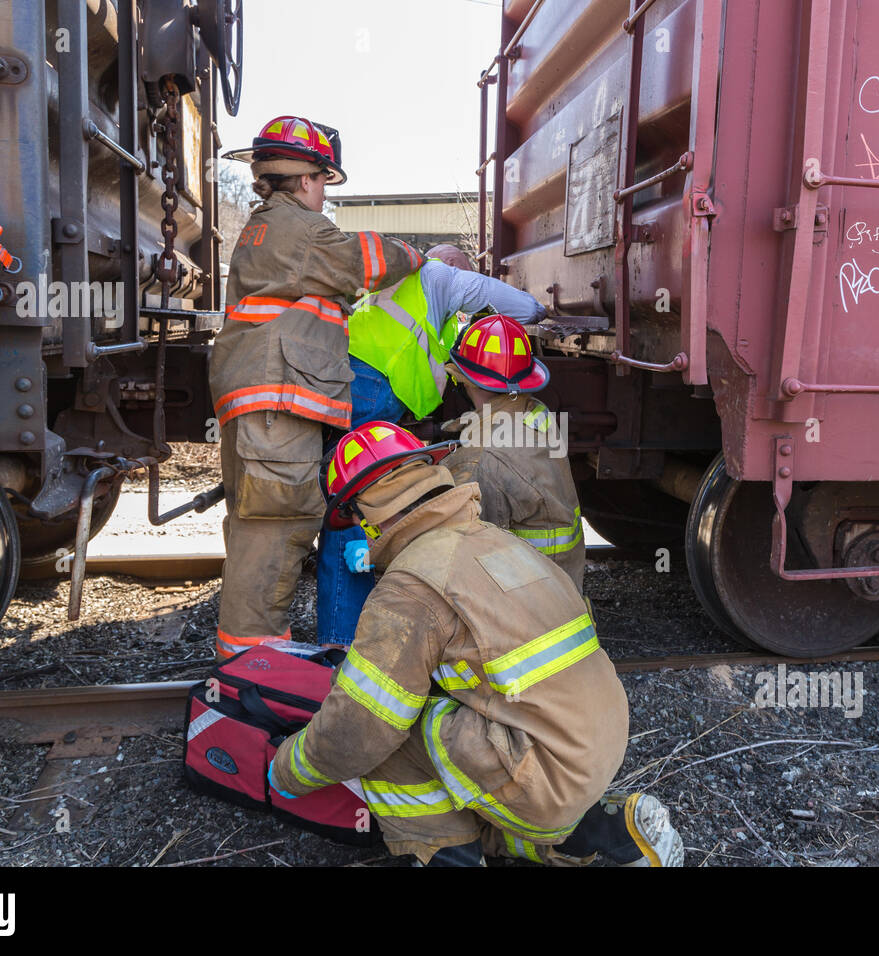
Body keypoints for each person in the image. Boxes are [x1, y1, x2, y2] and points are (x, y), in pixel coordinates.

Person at [270, 420, 683, 866]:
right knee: (456, 746)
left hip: (545, 774)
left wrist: (287, 769)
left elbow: (360, 728)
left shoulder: (412, 586)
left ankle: (447, 858)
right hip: (593, 749)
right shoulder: (494, 541)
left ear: (366, 514)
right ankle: (605, 833)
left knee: (391, 739)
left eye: (352, 517)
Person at [209, 115, 424, 660]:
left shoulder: (266, 227)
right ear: (305, 178)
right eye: (324, 181)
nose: (325, 193)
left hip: (261, 401)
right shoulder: (301, 230)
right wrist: (420, 255)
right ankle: (254, 670)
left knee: (258, 527)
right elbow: (367, 261)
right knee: (277, 527)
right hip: (275, 402)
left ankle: (249, 660)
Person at [316, 245, 547, 645]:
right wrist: (543, 312)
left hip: (357, 381)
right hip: (372, 389)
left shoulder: (400, 288)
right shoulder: (439, 274)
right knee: (357, 507)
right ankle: (341, 642)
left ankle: (348, 629)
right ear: (452, 263)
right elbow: (517, 305)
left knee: (356, 502)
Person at [443, 314, 586, 591]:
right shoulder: (536, 412)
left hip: (527, 601)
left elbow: (464, 549)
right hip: (563, 586)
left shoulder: (482, 459)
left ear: (465, 379)